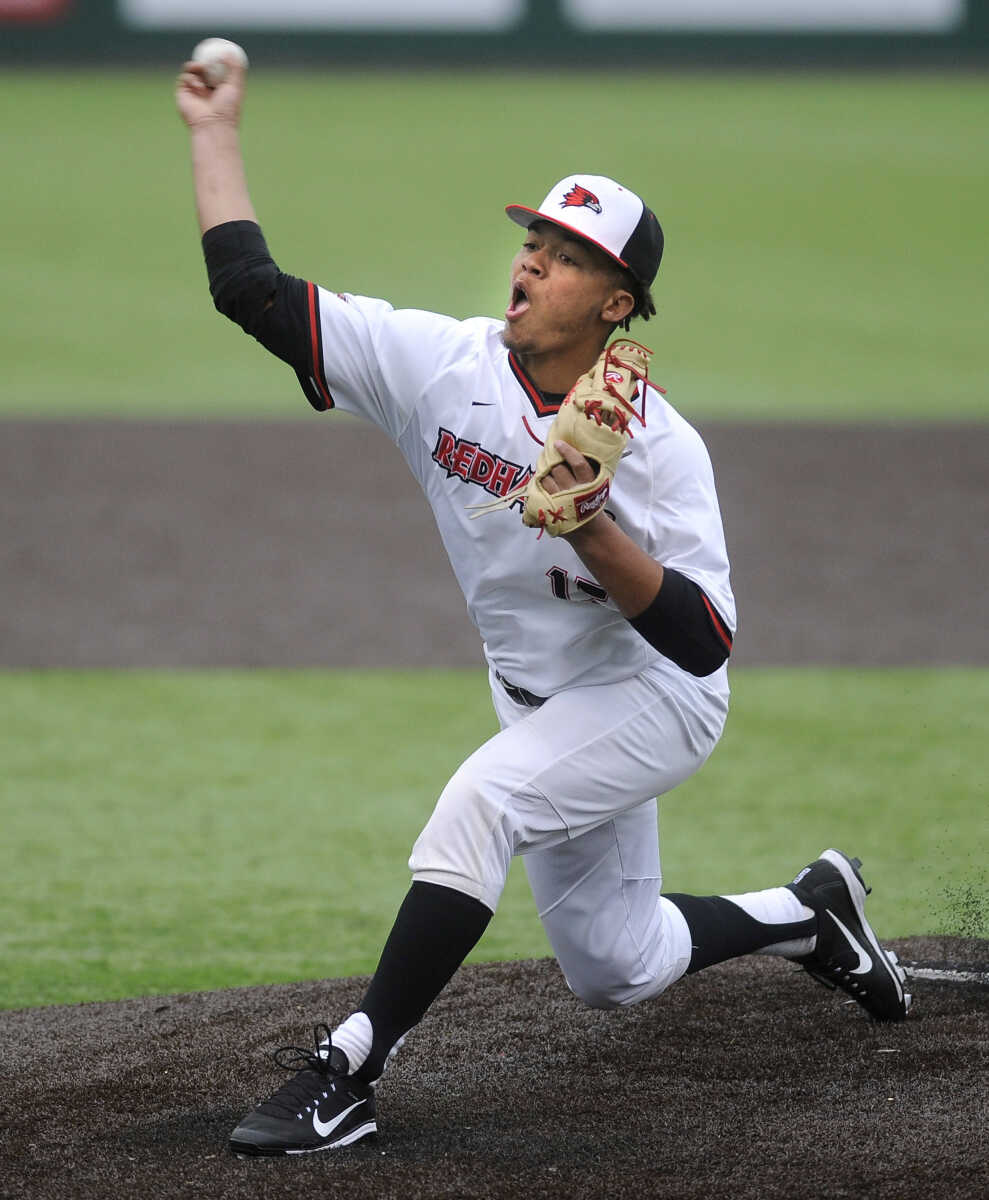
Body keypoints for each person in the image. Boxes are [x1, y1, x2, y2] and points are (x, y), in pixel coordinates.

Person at [175, 53, 910, 1158]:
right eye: (534, 241)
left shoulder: (659, 449)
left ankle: (347, 1072)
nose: (531, 262)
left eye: (567, 258)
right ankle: (809, 912)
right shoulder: (439, 365)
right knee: (613, 966)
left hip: (649, 698)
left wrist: (591, 528)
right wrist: (212, 130)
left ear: (614, 305)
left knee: (479, 805)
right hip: (537, 699)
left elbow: (703, 646)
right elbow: (252, 293)